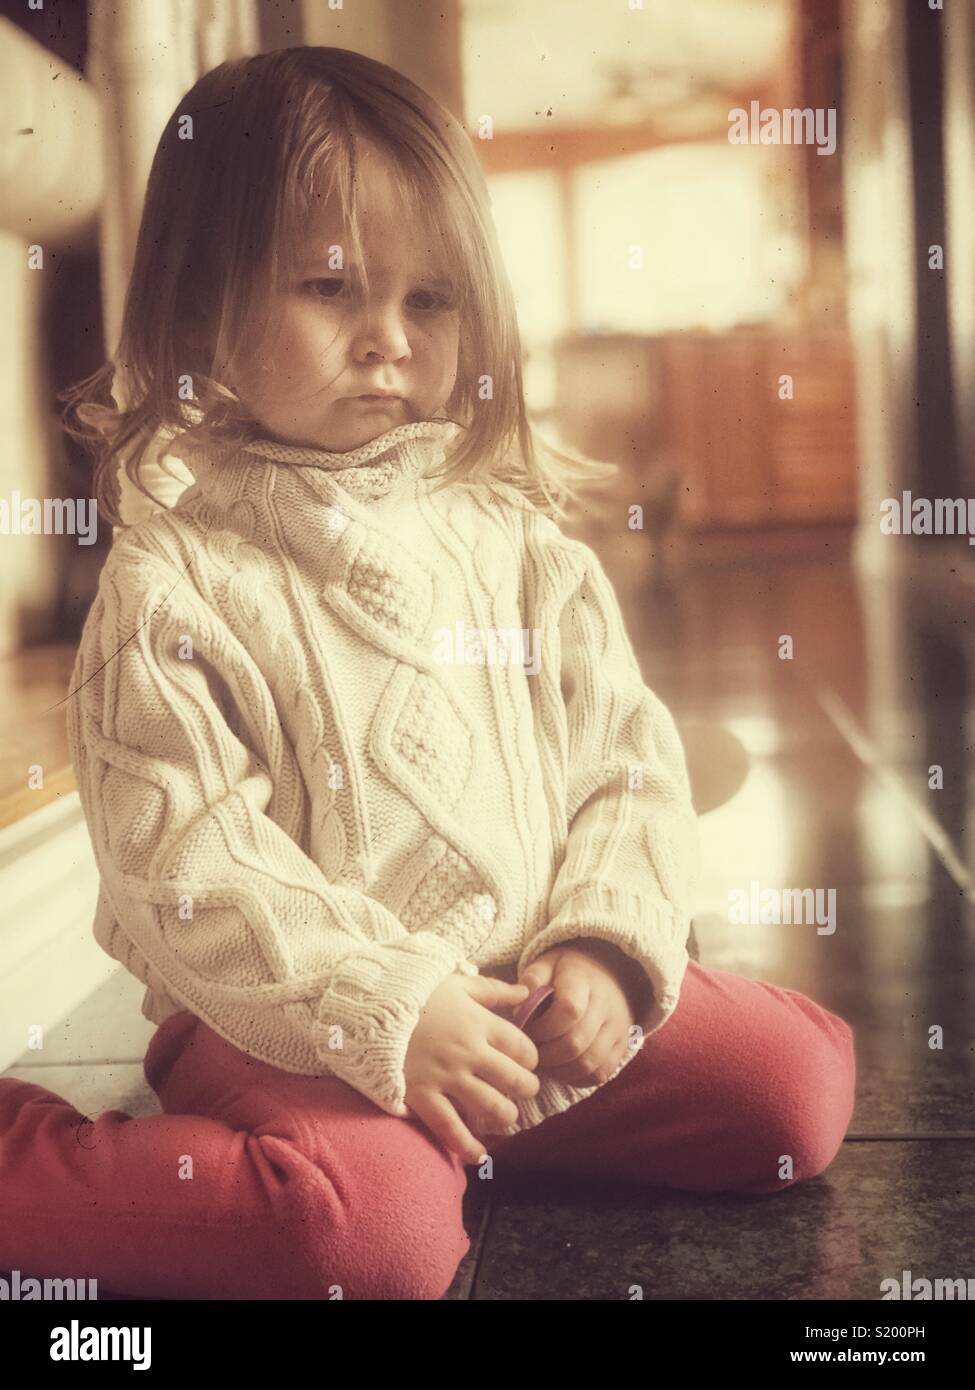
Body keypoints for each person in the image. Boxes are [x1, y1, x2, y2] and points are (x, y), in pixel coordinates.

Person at [0, 47, 855, 1301]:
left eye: (432, 301)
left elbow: (626, 757)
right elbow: (186, 863)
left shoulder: (515, 538)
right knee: (370, 1247)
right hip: (281, 1017)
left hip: (518, 1002)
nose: (388, 340)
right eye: (330, 286)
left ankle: (464, 1129)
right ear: (202, 304)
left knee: (792, 1087)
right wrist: (392, 1004)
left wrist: (606, 950)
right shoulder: (173, 579)